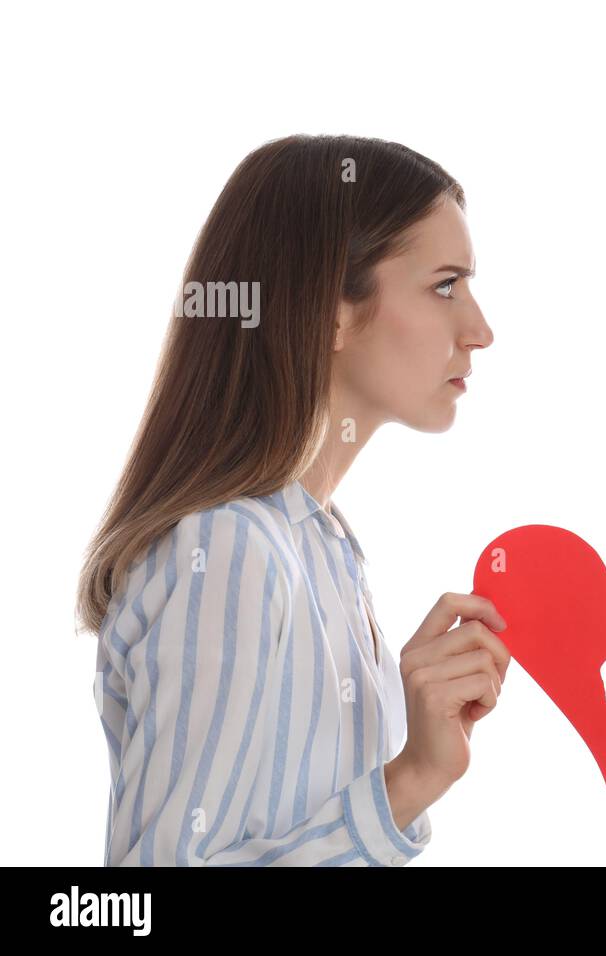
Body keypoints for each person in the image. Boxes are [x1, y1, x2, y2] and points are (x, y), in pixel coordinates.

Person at [76, 135, 510, 866]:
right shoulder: (228, 550)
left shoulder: (327, 547)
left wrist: (417, 772)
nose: (481, 330)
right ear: (330, 310)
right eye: (445, 285)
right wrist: (409, 780)